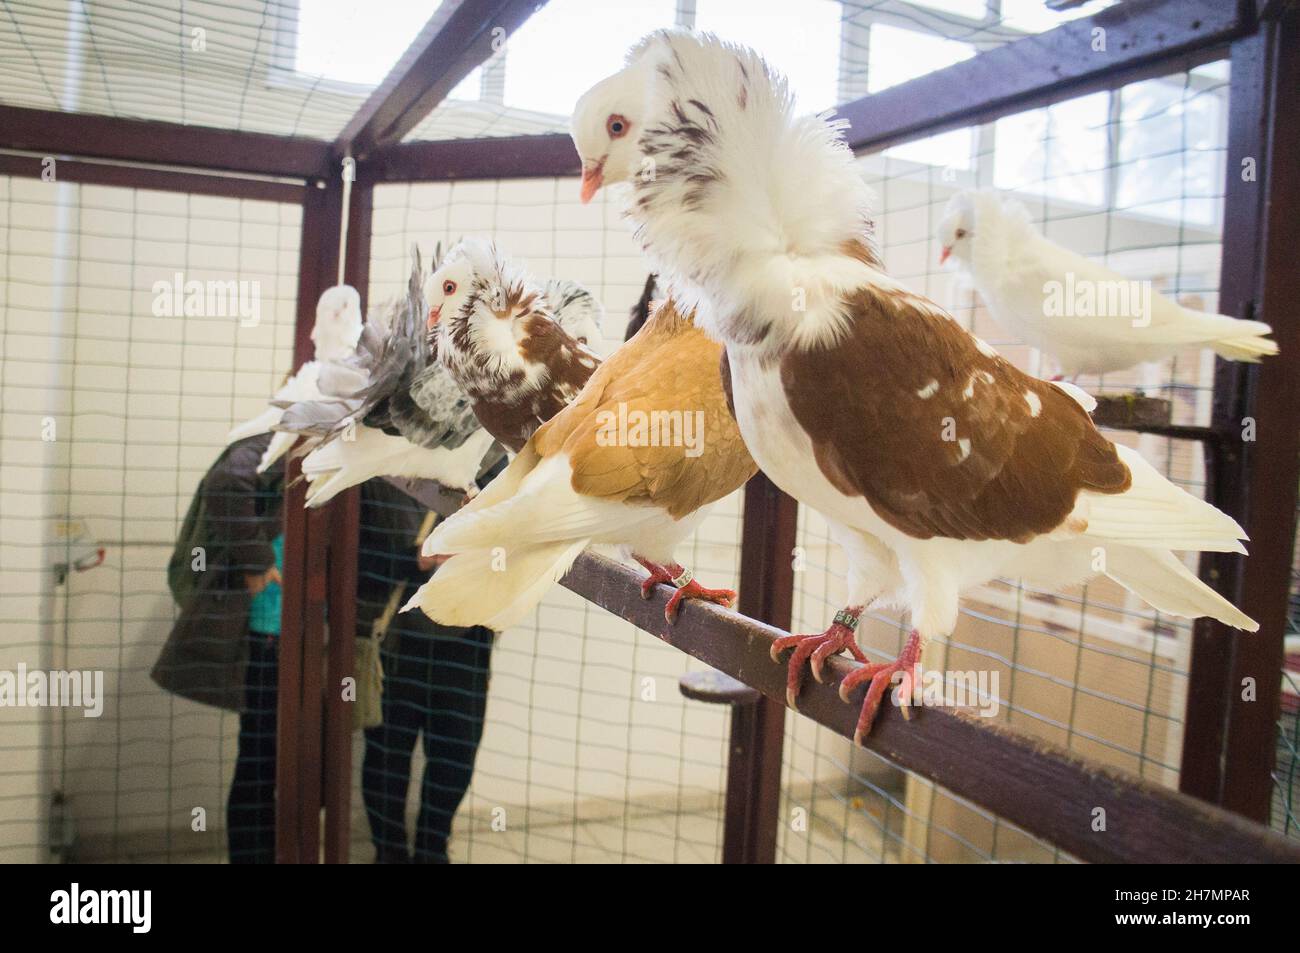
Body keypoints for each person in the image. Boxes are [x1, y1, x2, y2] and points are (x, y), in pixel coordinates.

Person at [357, 487, 495, 864]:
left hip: (466, 644)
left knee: (456, 758)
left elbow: (518, 557)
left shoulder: (493, 474)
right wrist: (416, 559)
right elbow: (354, 560)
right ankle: (390, 854)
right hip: (396, 645)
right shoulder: (383, 474)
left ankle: (433, 850)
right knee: (387, 755)